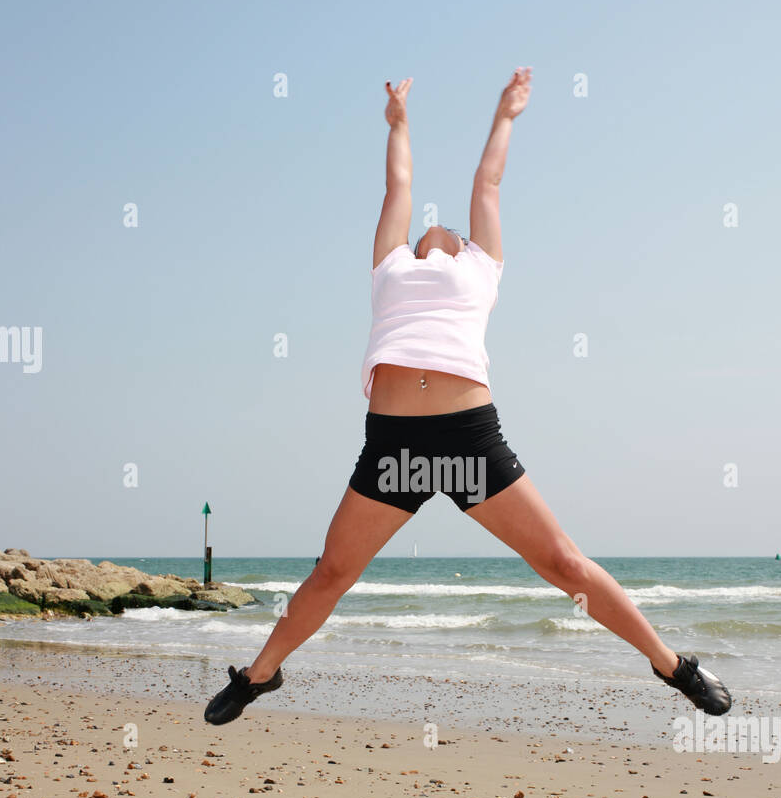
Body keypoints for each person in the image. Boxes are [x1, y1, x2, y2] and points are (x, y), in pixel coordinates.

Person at [205, 69, 731, 725]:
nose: (437, 229)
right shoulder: (389, 266)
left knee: (561, 561)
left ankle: (671, 665)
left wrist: (506, 114)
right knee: (332, 571)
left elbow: (489, 182)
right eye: (428, 228)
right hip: (394, 446)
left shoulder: (482, 268)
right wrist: (398, 123)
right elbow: (399, 185)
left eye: (449, 229)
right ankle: (258, 676)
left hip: (467, 440)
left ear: (467, 247)